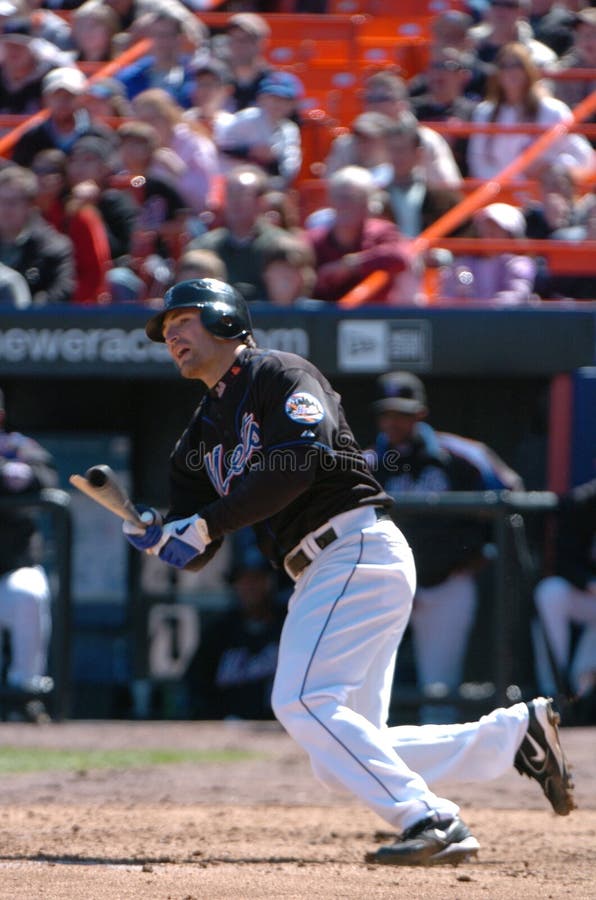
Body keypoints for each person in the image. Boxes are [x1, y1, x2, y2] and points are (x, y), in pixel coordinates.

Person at [122, 277, 574, 865]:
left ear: (227, 322)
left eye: (185, 319)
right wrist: (163, 536)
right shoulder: (198, 435)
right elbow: (200, 538)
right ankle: (514, 737)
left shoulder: (277, 373)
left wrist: (205, 523)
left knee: (302, 700)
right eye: (166, 329)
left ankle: (431, 818)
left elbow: (302, 460)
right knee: (344, 753)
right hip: (325, 567)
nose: (172, 334)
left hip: (352, 547)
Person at [365, 370, 523, 723]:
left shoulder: (460, 455)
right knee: (368, 682)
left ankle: (437, 764)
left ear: (421, 413)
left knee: (439, 690)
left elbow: (511, 493)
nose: (393, 421)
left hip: (445, 583)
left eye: (402, 413)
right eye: (387, 413)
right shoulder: (367, 463)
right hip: (385, 586)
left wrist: (479, 552)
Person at [185, 534, 285, 720]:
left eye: (257, 579)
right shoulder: (220, 632)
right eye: (244, 580)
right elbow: (196, 685)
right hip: (228, 727)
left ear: (270, 583)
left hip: (280, 726)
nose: (250, 587)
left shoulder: (289, 627)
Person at [0, 388, 56, 717]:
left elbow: (45, 477)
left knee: (29, 593)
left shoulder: (19, 448)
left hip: (11, 569)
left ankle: (26, 691)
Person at [466, 42, 595, 182]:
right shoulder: (484, 112)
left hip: (543, 195)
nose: (511, 72)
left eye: (518, 65)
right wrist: (506, 185)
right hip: (498, 194)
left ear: (529, 70)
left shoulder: (553, 111)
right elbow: (477, 162)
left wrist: (550, 165)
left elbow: (584, 158)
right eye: (504, 66)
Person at [324, 71, 463, 188]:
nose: (375, 104)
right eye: (369, 98)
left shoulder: (426, 140)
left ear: (402, 105)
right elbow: (329, 188)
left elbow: (448, 186)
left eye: (383, 98)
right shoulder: (347, 143)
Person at [533, 478, 596, 724]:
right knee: (550, 592)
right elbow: (563, 561)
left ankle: (583, 694)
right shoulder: (582, 501)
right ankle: (552, 691)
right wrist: (589, 584)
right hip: (587, 595)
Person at [305, 165, 411, 304]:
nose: (345, 204)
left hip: (374, 316)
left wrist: (351, 265)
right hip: (326, 318)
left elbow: (399, 257)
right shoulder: (314, 239)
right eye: (340, 197)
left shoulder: (382, 232)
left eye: (353, 197)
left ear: (368, 202)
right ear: (330, 200)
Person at [185, 163, 289, 302]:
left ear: (261, 202)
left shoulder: (281, 246)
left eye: (243, 194)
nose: (235, 201)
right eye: (230, 194)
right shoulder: (204, 247)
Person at [0, 164, 74, 304]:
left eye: (13, 202)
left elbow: (62, 291)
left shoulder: (53, 248)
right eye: (1, 201)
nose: (5, 208)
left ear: (30, 205)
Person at [216, 70, 303, 188]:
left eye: (284, 99)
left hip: (267, 186)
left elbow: (288, 171)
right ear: (260, 99)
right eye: (272, 98)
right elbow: (220, 147)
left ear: (293, 104)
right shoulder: (247, 118)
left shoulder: (289, 130)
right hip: (231, 181)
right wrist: (248, 151)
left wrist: (272, 159)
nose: (277, 103)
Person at [438, 202, 537, 304]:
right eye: (486, 226)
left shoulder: (518, 264)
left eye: (496, 227)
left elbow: (515, 296)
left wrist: (487, 310)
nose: (489, 232)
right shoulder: (464, 265)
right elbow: (450, 296)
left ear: (511, 234)